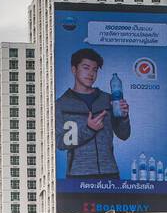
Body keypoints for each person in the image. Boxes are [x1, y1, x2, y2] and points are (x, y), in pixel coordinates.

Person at [55, 46, 132, 180]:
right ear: (74, 70)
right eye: (86, 68)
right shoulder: (61, 104)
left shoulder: (108, 99)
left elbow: (124, 135)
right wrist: (89, 129)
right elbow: (60, 143)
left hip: (110, 174)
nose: (91, 73)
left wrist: (124, 117)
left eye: (94, 70)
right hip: (78, 176)